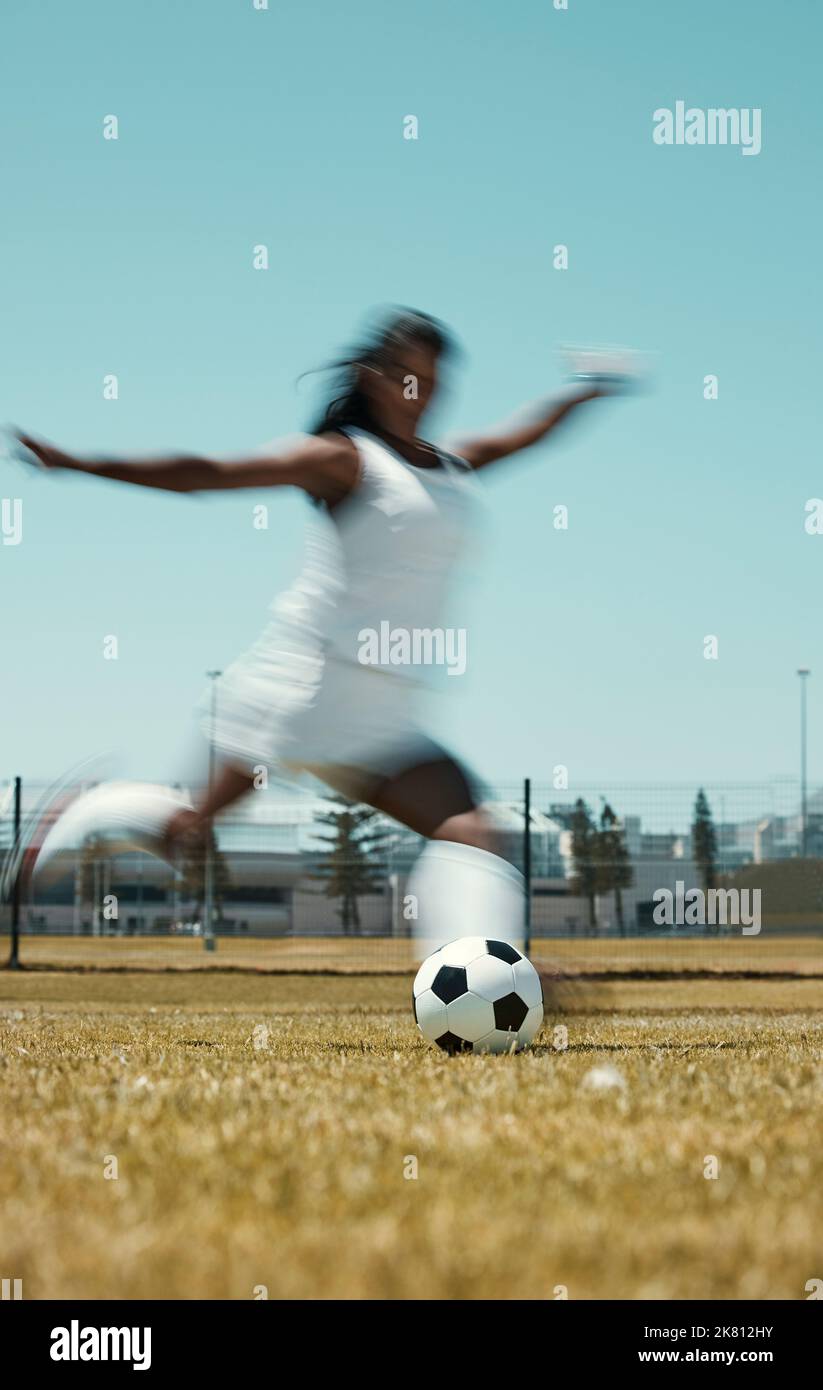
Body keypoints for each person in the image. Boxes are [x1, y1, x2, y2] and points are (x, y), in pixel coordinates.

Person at [11, 307, 628, 950]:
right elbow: (209, 473)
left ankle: (490, 976)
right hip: (304, 685)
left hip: (385, 711)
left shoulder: (455, 465)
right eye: (409, 377)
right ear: (373, 379)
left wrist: (587, 388)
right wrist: (80, 462)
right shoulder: (343, 460)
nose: (424, 393)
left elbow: (525, 433)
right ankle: (87, 812)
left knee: (473, 831)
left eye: (436, 379)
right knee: (187, 831)